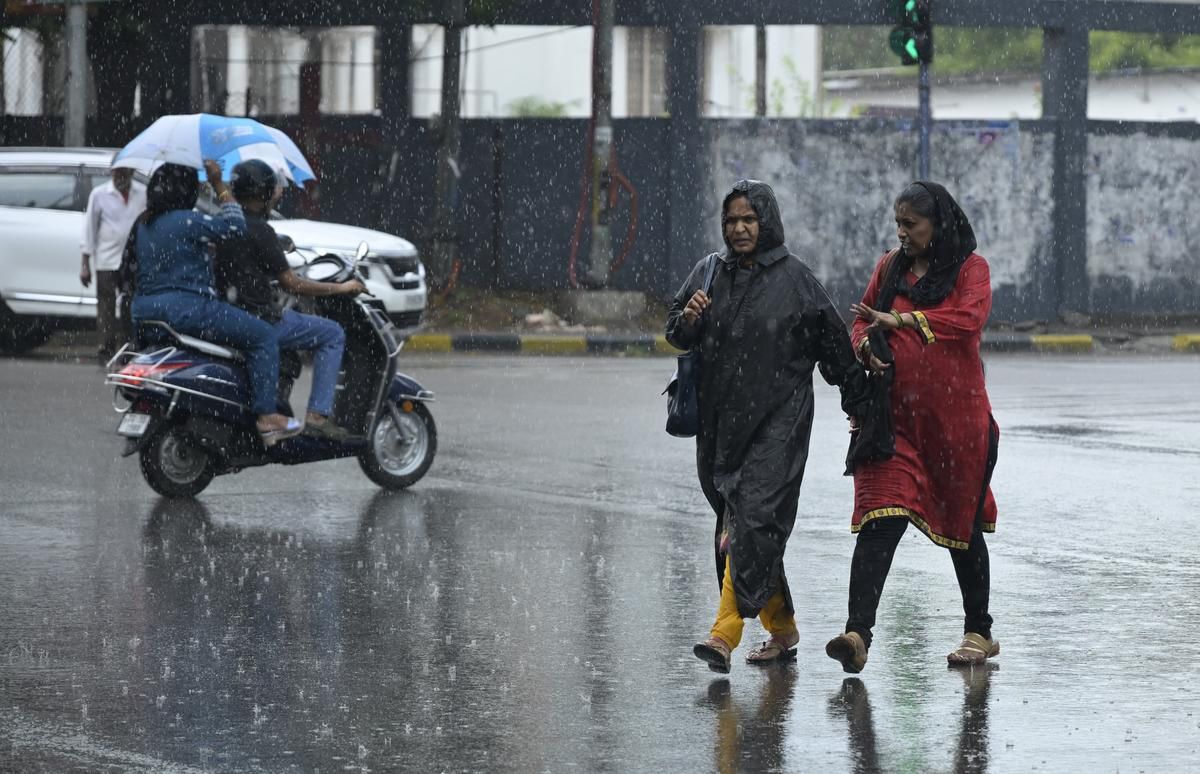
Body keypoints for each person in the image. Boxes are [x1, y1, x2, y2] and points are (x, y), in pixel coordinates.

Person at [666, 179, 869, 673]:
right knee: (745, 526)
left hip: (780, 422)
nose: (739, 229)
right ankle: (781, 628)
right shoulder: (708, 273)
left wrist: (860, 401)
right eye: (732, 220)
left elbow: (835, 347)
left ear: (767, 222)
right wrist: (688, 318)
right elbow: (675, 332)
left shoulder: (796, 280)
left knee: (752, 520)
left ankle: (723, 634)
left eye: (749, 220)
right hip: (721, 427)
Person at [825, 181, 1000, 674]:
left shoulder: (971, 269)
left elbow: (967, 320)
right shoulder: (889, 267)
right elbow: (860, 322)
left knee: (962, 526)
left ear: (937, 225)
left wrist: (901, 323)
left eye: (911, 225)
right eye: (897, 223)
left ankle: (979, 632)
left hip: (955, 426)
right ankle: (857, 634)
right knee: (880, 520)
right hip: (894, 424)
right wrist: (866, 346)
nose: (901, 233)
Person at [130, 160, 301, 445]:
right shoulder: (186, 220)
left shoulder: (145, 223)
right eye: (194, 186)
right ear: (184, 191)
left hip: (145, 312)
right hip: (188, 309)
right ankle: (267, 415)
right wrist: (219, 184)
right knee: (264, 337)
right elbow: (236, 227)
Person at [213, 159, 365, 441]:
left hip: (229, 314)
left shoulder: (225, 221)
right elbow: (292, 284)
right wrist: (342, 289)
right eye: (272, 189)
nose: (276, 194)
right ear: (263, 192)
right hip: (259, 318)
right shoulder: (260, 230)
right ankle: (318, 417)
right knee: (332, 333)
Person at [80, 166, 146, 361]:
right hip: (107, 258)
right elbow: (89, 229)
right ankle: (106, 347)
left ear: (132, 173)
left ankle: (128, 345)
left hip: (133, 260)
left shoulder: (142, 194)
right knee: (106, 305)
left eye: (124, 173)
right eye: (116, 173)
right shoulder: (99, 194)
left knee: (130, 303)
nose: (119, 178)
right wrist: (85, 263)